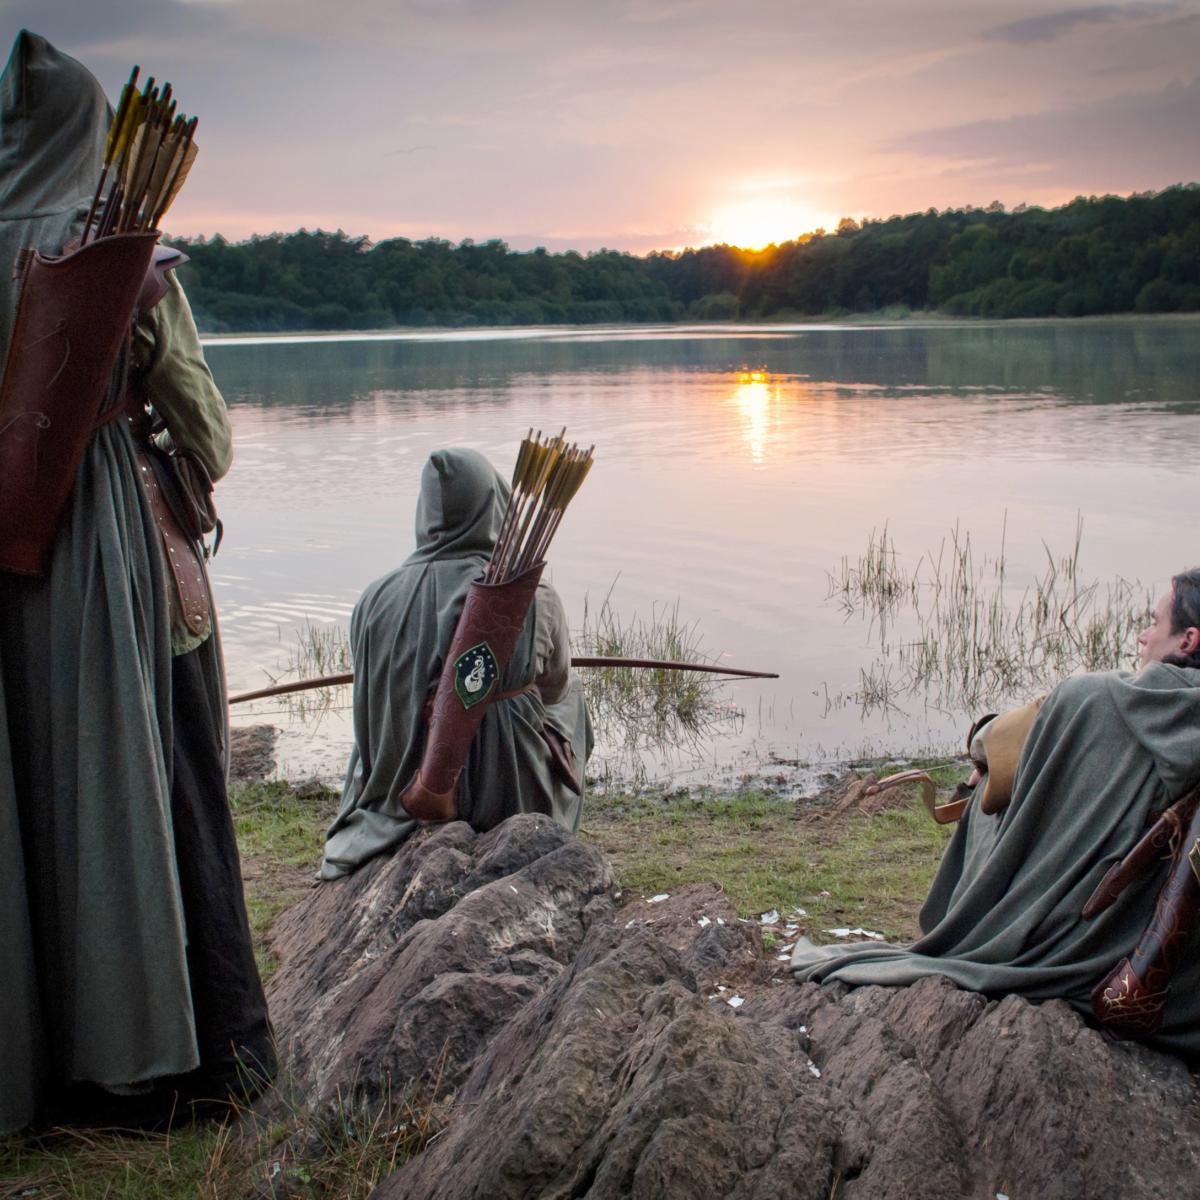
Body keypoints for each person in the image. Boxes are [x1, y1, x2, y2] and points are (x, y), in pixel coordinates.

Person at [0, 31, 273, 1132]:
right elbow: (205, 427)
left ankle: (41, 1072)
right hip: (102, 543)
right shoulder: (112, 243)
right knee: (158, 780)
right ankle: (182, 1069)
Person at [791, 568, 1200, 1058]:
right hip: (1180, 983)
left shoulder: (1096, 698)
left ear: (1188, 639)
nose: (1142, 634)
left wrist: (985, 760)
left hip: (1080, 946)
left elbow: (1006, 765)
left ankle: (965, 925)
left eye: (1154, 623)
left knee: (987, 807)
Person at [321, 446, 592, 880]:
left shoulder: (373, 600)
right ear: (496, 505)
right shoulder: (534, 596)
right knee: (573, 697)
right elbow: (555, 688)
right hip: (504, 800)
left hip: (398, 792)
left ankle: (396, 795)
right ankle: (549, 818)